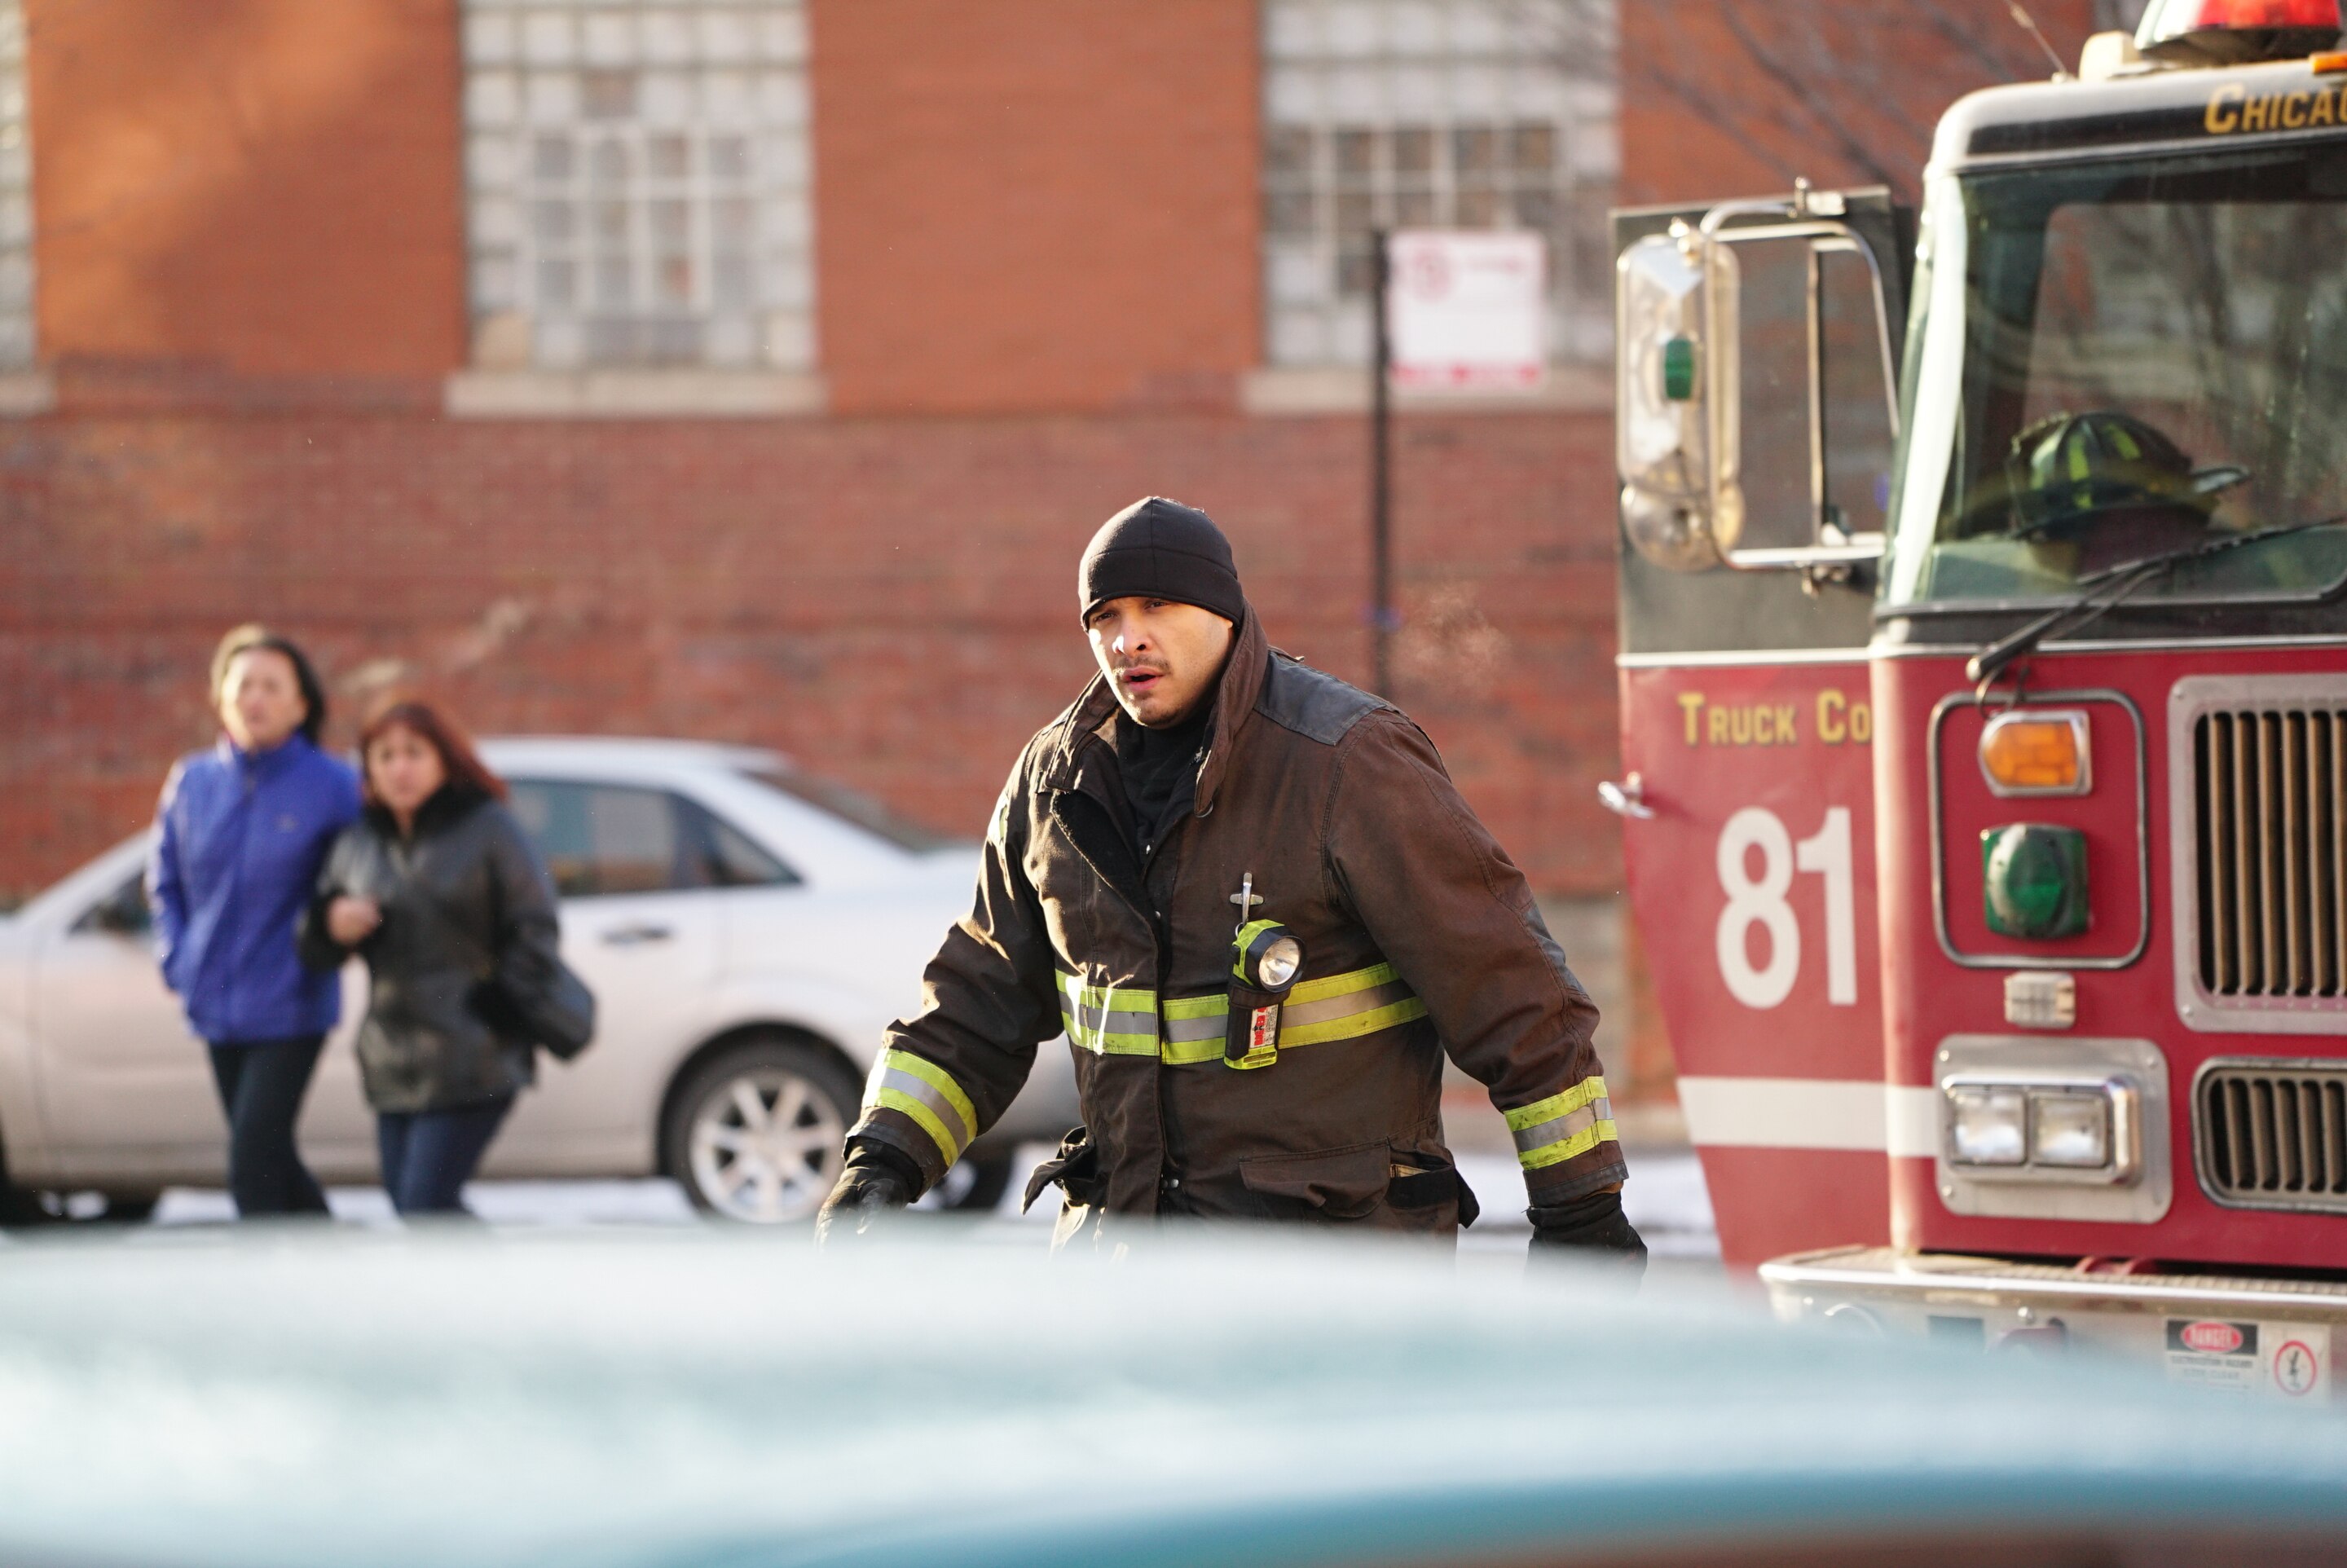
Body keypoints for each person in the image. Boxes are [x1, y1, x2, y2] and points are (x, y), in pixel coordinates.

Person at [819, 496, 1644, 1266]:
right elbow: (976, 1005)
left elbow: (1510, 991)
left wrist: (1581, 1208)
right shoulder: (1057, 784)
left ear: (1224, 613)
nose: (1127, 639)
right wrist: (882, 1160)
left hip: (1334, 1275)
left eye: (1157, 607)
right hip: (1123, 1269)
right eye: (1104, 616)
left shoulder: (1345, 763)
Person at [298, 699, 560, 1217]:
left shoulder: (487, 826)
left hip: (474, 1054)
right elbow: (313, 945)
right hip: (392, 1057)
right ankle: (494, 1296)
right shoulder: (359, 840)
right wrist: (332, 923)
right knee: (414, 1207)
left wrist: (496, 1010)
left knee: (425, 1204)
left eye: (414, 753)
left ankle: (510, 1298)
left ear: (445, 759)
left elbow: (536, 927)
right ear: (368, 767)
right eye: (385, 755)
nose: (400, 768)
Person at [147, 624, 361, 1217]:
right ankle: (339, 1271)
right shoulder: (193, 782)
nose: (256, 699)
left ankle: (264, 1295)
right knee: (270, 1155)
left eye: (272, 686)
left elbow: (364, 874)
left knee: (250, 1159)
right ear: (221, 697)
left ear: (301, 703)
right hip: (214, 999)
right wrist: (178, 959)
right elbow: (164, 881)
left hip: (291, 1000)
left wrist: (337, 923)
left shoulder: (334, 784)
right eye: (244, 686)